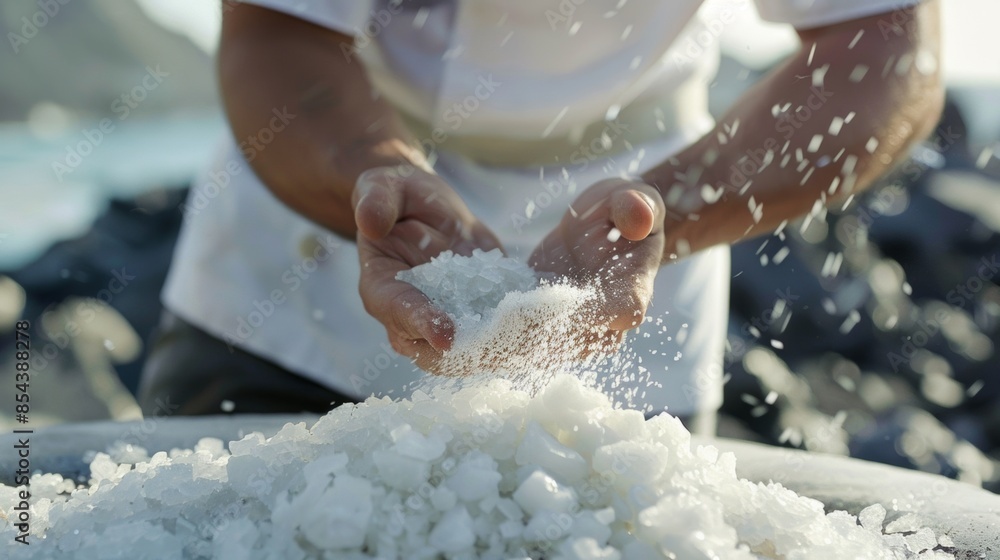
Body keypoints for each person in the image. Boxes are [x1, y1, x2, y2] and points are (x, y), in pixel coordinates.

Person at [137, 0, 943, 435]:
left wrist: (666, 212)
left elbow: (883, 42)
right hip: (301, 270)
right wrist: (373, 175)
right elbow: (275, 31)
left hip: (649, 214)